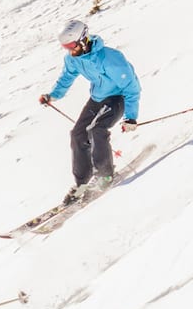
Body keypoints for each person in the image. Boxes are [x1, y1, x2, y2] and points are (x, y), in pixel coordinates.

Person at [40, 19, 141, 202]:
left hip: (118, 97)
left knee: (97, 130)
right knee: (77, 134)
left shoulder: (110, 58)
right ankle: (82, 183)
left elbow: (131, 87)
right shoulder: (73, 58)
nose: (70, 50)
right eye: (66, 47)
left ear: (84, 39)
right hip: (98, 97)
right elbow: (67, 77)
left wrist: (131, 117)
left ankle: (105, 176)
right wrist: (52, 96)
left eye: (72, 45)